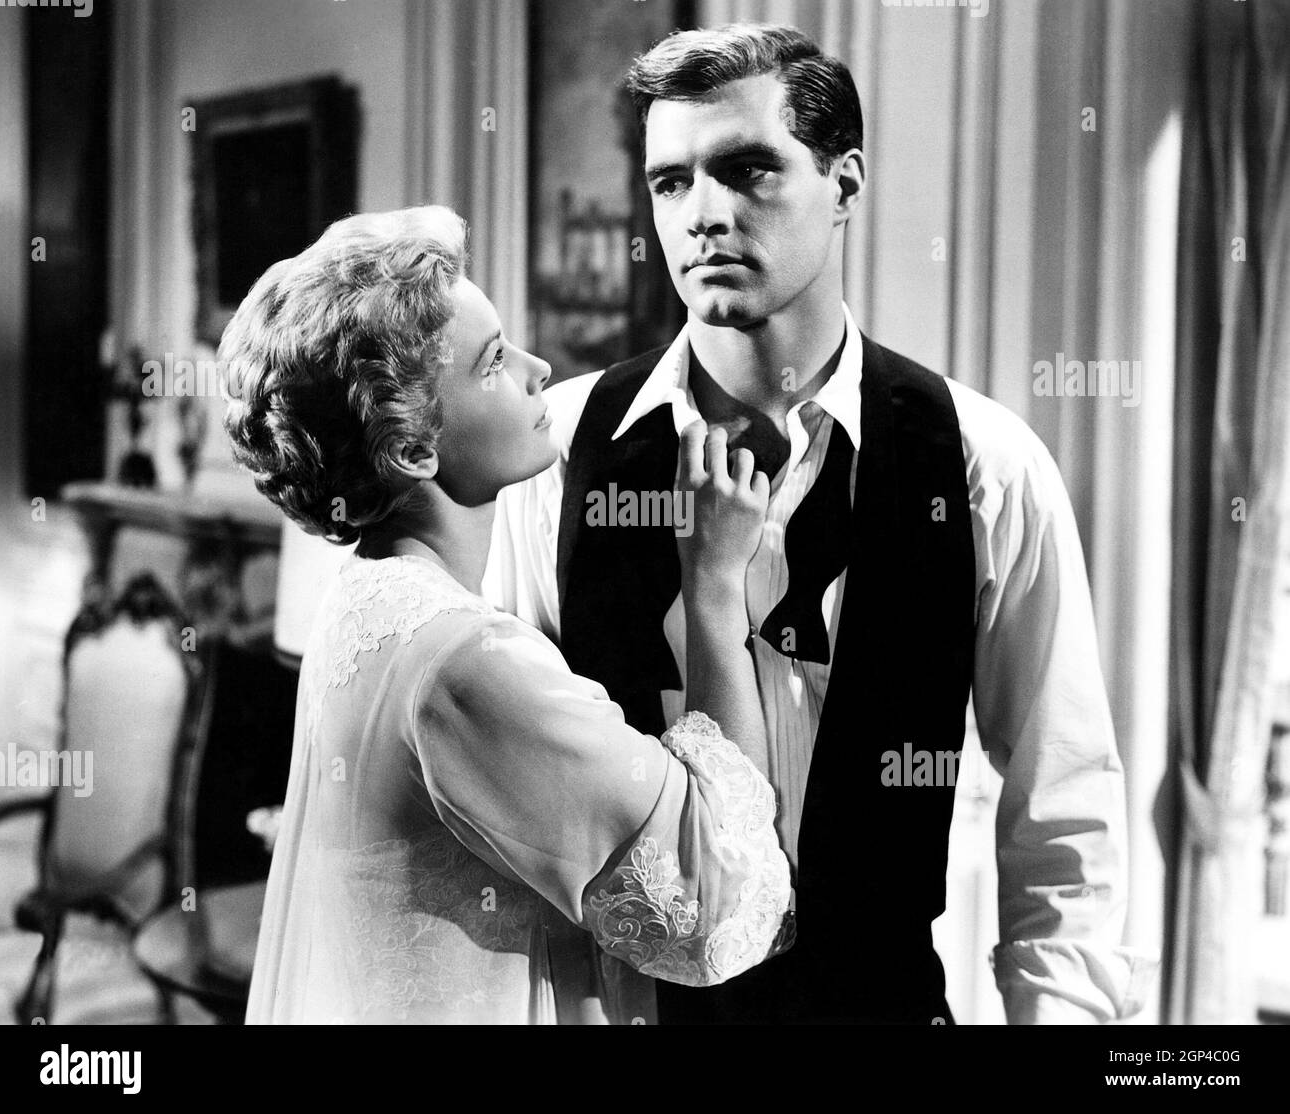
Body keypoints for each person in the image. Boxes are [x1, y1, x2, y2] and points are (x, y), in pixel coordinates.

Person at [485, 23, 1158, 1023]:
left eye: (748, 169)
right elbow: (514, 802)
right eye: (671, 183)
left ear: (843, 185)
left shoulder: (983, 466)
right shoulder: (560, 454)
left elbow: (1063, 826)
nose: (703, 215)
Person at [220, 205, 793, 1024]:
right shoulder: (466, 659)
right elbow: (717, 907)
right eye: (493, 362)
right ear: (414, 448)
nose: (538, 367)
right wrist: (712, 587)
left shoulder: (368, 596)